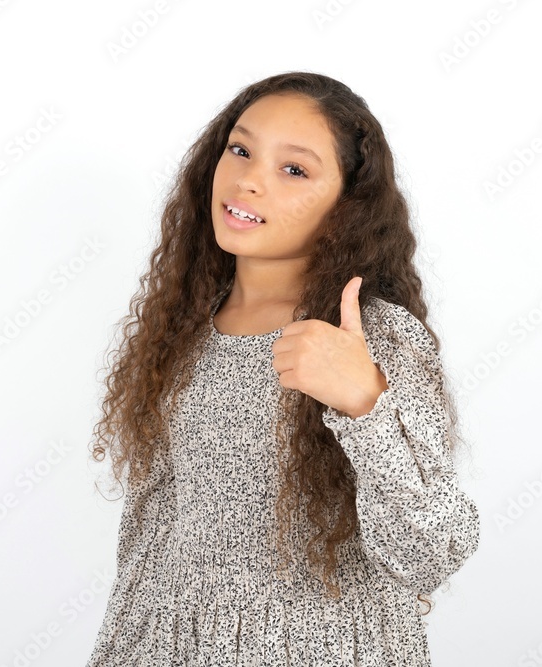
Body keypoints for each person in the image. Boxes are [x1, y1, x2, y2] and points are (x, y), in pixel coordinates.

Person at [86, 71, 480, 666]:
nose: (249, 180)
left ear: (347, 207)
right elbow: (151, 543)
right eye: (240, 150)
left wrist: (364, 402)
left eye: (293, 169)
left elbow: (431, 552)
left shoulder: (374, 339)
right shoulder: (181, 332)